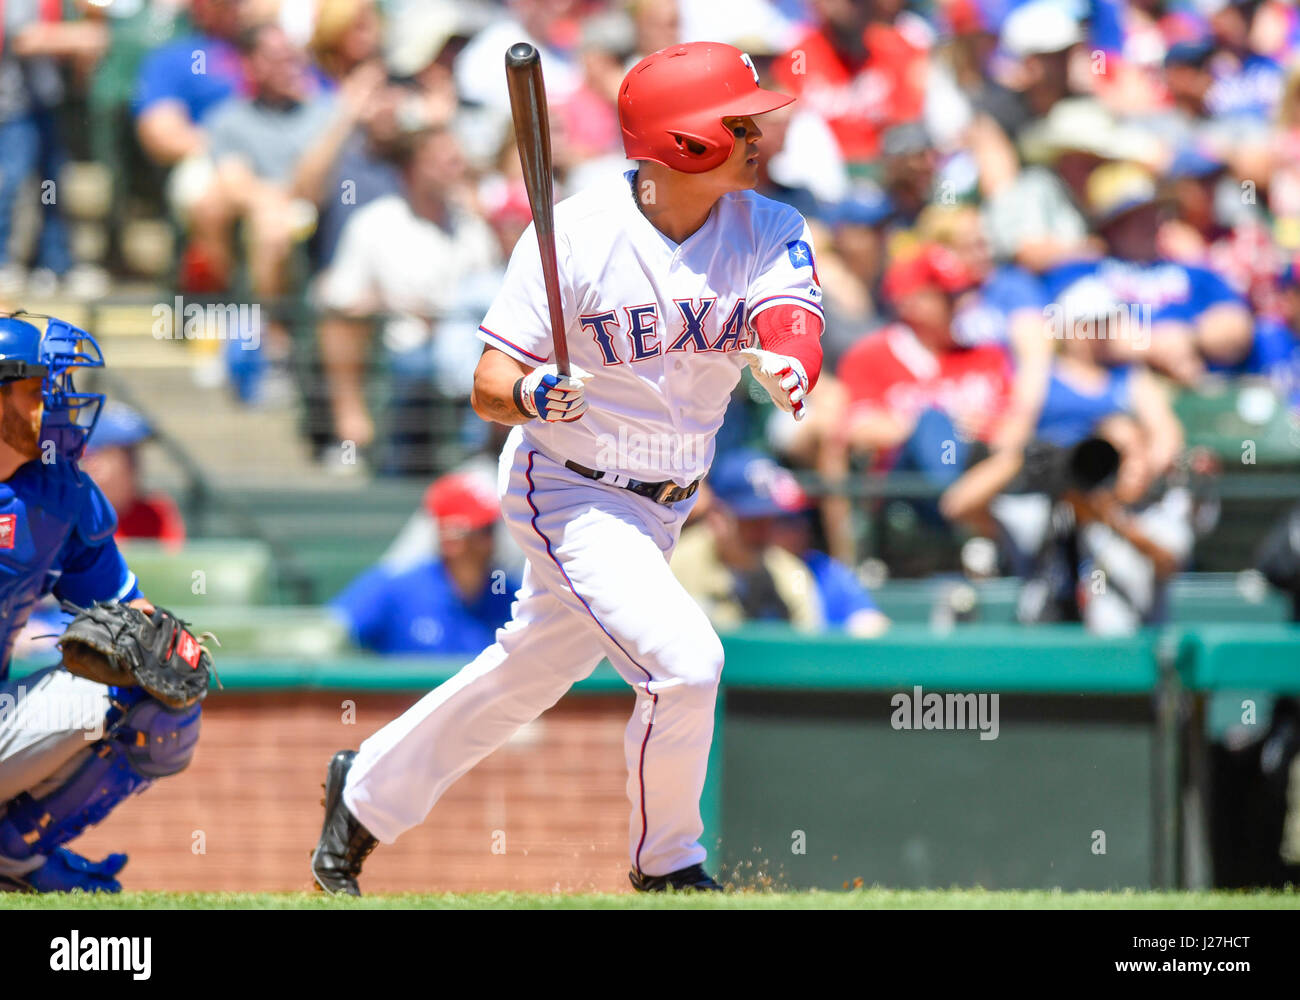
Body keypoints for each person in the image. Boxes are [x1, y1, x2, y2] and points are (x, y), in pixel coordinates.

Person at [310, 41, 825, 895]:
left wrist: (787, 362)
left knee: (530, 673)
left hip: (670, 498)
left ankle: (362, 793)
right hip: (572, 488)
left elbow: (789, 320)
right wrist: (538, 392)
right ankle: (669, 866)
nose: (758, 134)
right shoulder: (575, 236)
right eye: (737, 122)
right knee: (686, 663)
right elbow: (488, 384)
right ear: (684, 143)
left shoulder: (770, 224)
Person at [0, 314, 201, 893]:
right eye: (40, 389)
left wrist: (165, 642)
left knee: (156, 688)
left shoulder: (60, 494)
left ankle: (15, 853)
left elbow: (131, 616)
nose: (58, 404)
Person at [331, 472, 517, 655]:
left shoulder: (511, 596)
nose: (491, 541)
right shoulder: (396, 586)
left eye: (493, 529)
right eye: (484, 531)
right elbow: (328, 634)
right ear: (450, 539)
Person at [671, 450, 824, 632]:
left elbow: (805, 650)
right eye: (750, 521)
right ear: (717, 516)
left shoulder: (791, 575)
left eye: (769, 519)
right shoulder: (673, 566)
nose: (763, 531)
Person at [79, 402, 186, 548]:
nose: (136, 466)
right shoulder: (66, 516)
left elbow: (174, 564)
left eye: (135, 456)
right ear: (94, 463)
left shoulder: (155, 513)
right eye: (127, 455)